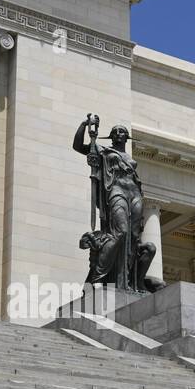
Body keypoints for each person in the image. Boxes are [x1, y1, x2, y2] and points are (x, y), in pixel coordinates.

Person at [72, 115, 160, 293]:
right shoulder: (103, 150)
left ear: (127, 137)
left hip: (134, 193)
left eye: (122, 131)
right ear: (111, 136)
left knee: (134, 237)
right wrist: (84, 125)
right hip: (116, 191)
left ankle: (135, 282)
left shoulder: (128, 156)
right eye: (115, 132)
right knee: (120, 232)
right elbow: (78, 146)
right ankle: (96, 278)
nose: (119, 133)